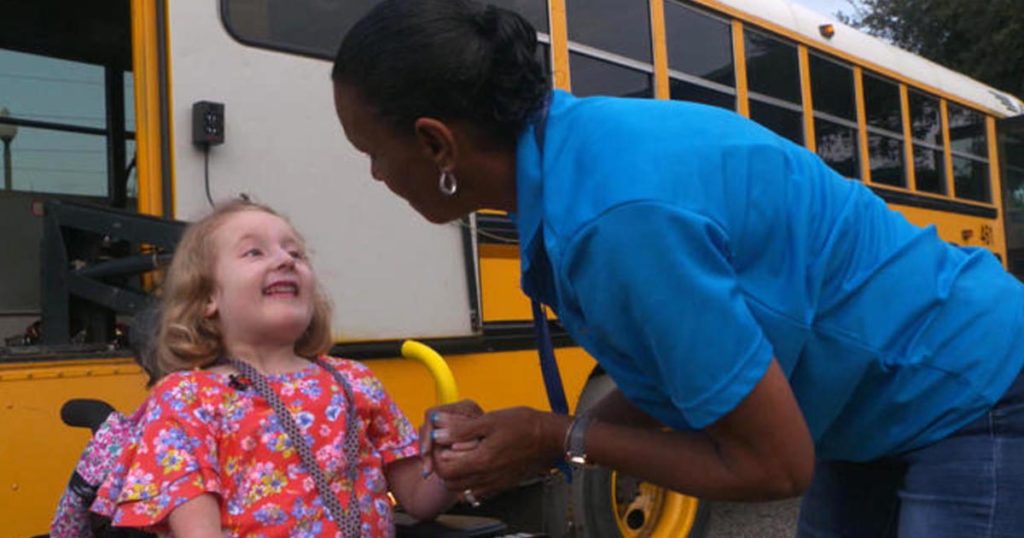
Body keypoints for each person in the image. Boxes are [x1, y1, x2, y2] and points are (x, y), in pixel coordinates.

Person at [329, 0, 1024, 536]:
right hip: (876, 405)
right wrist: (545, 433)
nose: (373, 174)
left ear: (435, 142)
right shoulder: (579, 155)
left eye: (372, 151)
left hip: (969, 386)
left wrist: (559, 437)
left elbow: (774, 466)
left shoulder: (616, 216)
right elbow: (687, 374)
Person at [90, 199, 455, 536]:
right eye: (254, 252)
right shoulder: (186, 397)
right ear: (207, 299)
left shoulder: (356, 380)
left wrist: (455, 462)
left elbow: (419, 499)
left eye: (295, 252)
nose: (285, 260)